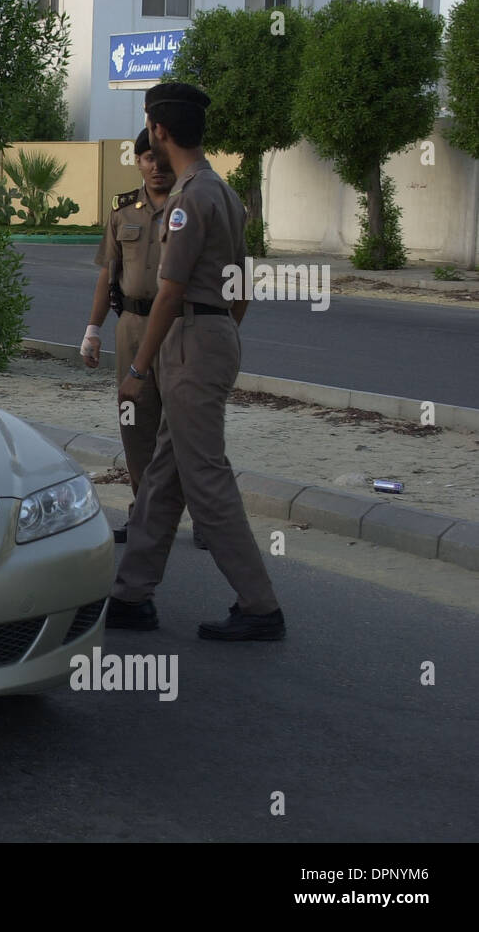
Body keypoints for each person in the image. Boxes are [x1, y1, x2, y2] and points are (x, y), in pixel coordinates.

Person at [105, 82, 284, 642]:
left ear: (158, 130)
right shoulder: (223, 192)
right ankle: (132, 594)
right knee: (165, 472)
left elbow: (169, 291)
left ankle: (259, 606)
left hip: (189, 338)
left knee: (203, 476)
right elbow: (240, 283)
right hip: (210, 334)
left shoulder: (187, 200)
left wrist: (139, 371)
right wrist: (219, 338)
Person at [83, 128, 204, 548]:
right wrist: (93, 330)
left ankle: (205, 518)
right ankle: (145, 514)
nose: (157, 166)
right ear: (137, 161)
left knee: (187, 426)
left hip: (179, 327)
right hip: (133, 326)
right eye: (147, 158)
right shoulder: (123, 212)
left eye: (161, 158)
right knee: (135, 424)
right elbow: (107, 274)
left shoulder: (190, 204)